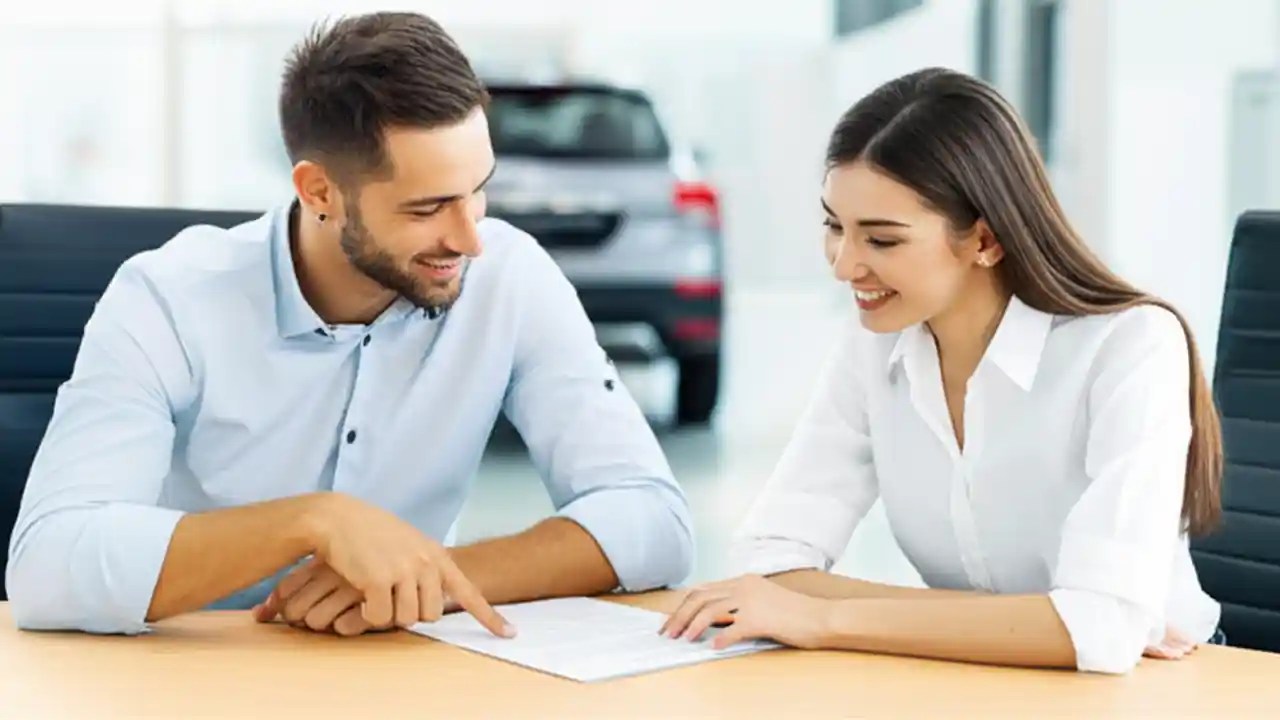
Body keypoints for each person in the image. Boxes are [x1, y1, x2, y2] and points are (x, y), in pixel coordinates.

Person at [7, 11, 692, 637]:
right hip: (194, 670)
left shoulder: (511, 276)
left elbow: (651, 520)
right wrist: (312, 521)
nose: (471, 238)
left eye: (477, 189)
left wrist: (432, 576)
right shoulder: (167, 298)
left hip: (391, 672)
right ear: (320, 192)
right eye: (427, 209)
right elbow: (46, 568)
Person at [661, 68, 1223, 674]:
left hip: (1161, 688)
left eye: (881, 240)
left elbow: (1102, 632)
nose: (845, 265)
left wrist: (822, 616)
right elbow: (768, 565)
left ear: (984, 239)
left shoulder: (1130, 347)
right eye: (834, 226)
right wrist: (1031, 621)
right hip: (967, 677)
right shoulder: (875, 344)